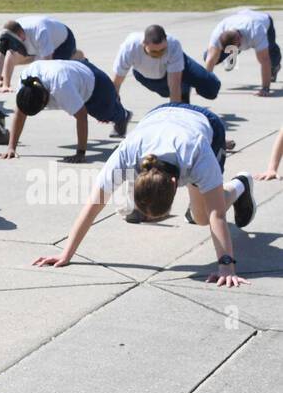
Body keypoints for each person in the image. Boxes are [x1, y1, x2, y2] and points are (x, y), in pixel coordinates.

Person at [33, 104, 256, 288]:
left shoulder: (198, 153)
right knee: (201, 213)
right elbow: (94, 204)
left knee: (205, 217)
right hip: (159, 115)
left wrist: (227, 266)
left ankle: (241, 184)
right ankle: (210, 194)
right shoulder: (127, 154)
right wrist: (66, 254)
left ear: (173, 184)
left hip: (204, 124)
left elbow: (218, 214)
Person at [0, 60, 132, 164]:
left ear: (45, 98)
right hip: (74, 71)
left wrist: (80, 153)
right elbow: (20, 114)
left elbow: (81, 116)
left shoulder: (60, 86)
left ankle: (123, 114)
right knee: (84, 104)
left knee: (106, 115)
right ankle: (113, 99)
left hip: (96, 85)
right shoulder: (26, 82)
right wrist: (11, 148)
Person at [112, 24, 220, 104]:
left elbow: (174, 85)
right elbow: (116, 83)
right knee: (166, 93)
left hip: (181, 66)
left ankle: (192, 84)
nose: (159, 54)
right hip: (147, 75)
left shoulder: (173, 44)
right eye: (154, 51)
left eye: (162, 50)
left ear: (166, 41)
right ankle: (184, 88)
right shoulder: (130, 48)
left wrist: (175, 110)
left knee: (211, 88)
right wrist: (115, 110)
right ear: (144, 44)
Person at [0, 15, 85, 90]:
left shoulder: (41, 32)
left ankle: (77, 56)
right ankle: (74, 54)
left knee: (58, 66)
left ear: (21, 34)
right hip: (39, 45)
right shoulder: (13, 31)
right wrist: (6, 85)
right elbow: (10, 57)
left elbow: (47, 64)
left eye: (16, 43)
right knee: (18, 57)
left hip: (63, 43)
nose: (15, 46)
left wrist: (42, 87)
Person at [203, 9, 280, 97]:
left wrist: (265, 88)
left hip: (263, 20)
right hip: (241, 17)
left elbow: (265, 60)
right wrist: (204, 85)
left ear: (239, 38)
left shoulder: (256, 31)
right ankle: (232, 54)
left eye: (235, 47)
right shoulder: (218, 32)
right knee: (208, 56)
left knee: (270, 54)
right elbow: (211, 59)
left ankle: (276, 67)